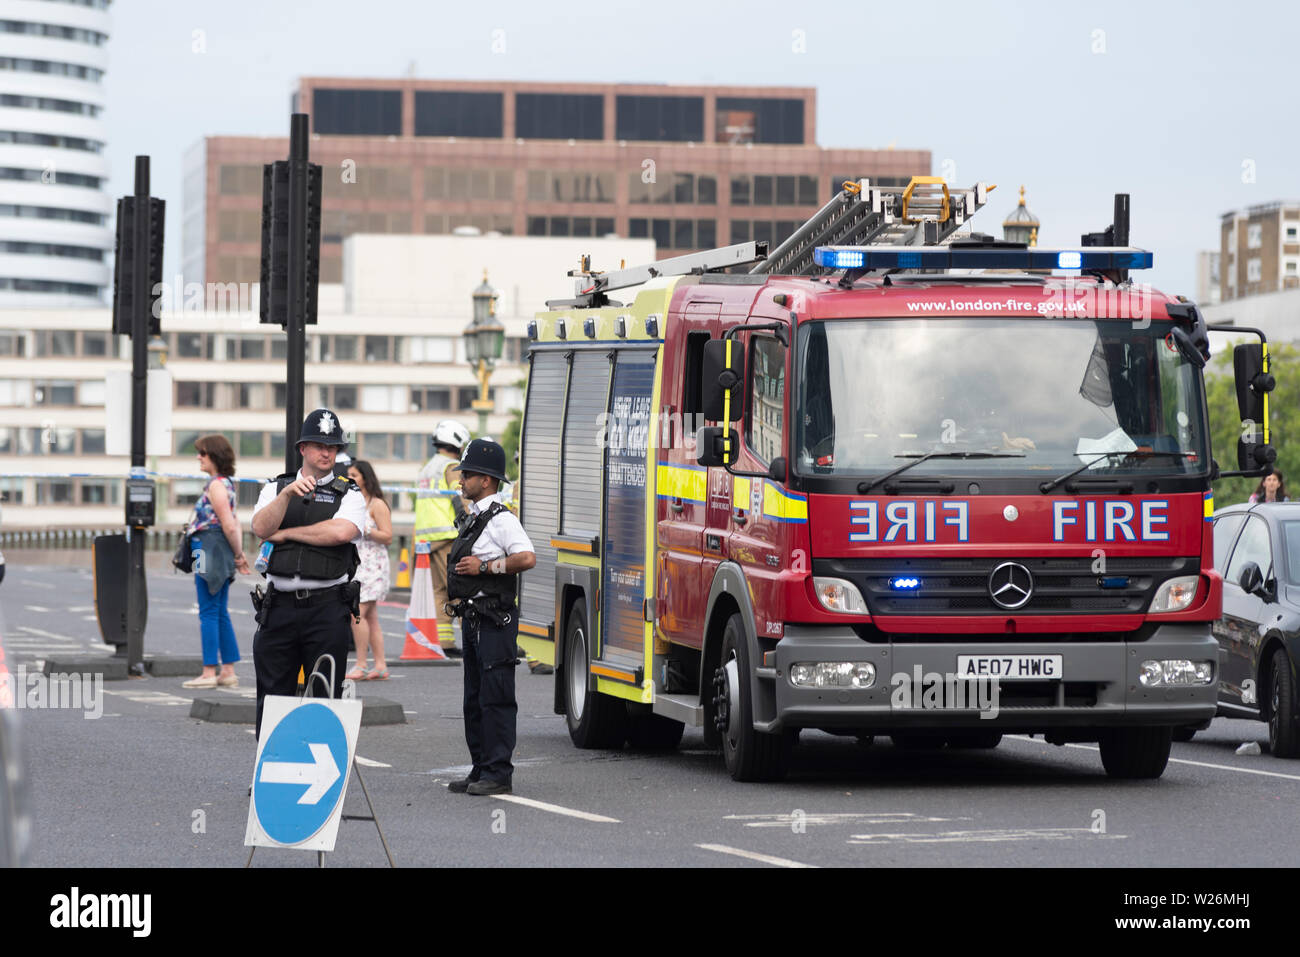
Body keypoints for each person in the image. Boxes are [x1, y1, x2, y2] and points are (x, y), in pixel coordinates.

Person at [249, 408, 366, 736]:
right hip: (280, 608)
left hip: (326, 608)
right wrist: (287, 495)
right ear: (303, 448)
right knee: (273, 699)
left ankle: (320, 782)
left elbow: (340, 533)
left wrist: (286, 534)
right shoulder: (276, 488)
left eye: (332, 446)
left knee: (324, 698)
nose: (327, 452)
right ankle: (270, 781)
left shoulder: (350, 492)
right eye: (319, 445)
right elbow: (261, 526)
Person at [445, 438, 536, 796]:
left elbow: (526, 558)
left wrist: (485, 566)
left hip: (493, 618)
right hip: (473, 617)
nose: (461, 480)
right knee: (474, 697)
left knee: (496, 696)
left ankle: (498, 773)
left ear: (486, 480)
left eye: (466, 474)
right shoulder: (476, 516)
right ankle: (481, 767)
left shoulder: (500, 519)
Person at [182, 434, 251, 689]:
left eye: (203, 453)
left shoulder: (216, 486)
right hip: (219, 550)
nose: (199, 457)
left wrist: (239, 555)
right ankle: (228, 670)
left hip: (208, 549)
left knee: (208, 610)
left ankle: (209, 670)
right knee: (220, 610)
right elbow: (235, 523)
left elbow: (229, 525)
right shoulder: (227, 484)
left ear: (215, 456)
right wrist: (237, 554)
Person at [414, 419, 470, 657]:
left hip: (427, 538)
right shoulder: (451, 466)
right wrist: (469, 520)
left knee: (439, 590)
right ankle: (470, 640)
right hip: (448, 535)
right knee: (459, 588)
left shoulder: (427, 468)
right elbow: (460, 497)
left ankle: (445, 642)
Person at [346, 459, 392, 681]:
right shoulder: (354, 501)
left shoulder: (377, 504)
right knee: (370, 617)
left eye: (354, 475)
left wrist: (367, 530)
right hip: (359, 563)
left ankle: (362, 664)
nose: (350, 478)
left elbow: (388, 536)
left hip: (374, 565)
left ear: (365, 477)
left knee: (357, 613)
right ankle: (380, 665)